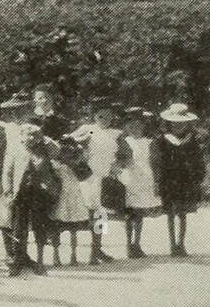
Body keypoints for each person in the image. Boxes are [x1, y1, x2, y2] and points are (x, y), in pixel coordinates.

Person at [152, 103, 205, 257]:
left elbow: (198, 160)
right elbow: (157, 160)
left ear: (187, 124)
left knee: (182, 212)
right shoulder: (162, 140)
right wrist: (157, 179)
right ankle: (172, 243)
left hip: (185, 179)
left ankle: (181, 243)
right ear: (169, 123)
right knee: (170, 213)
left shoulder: (192, 140)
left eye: (181, 123)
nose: (178, 126)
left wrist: (198, 176)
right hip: (168, 179)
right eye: (174, 123)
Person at [0, 90, 33, 266]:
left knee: (22, 216)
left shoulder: (29, 128)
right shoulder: (2, 129)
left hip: (26, 176)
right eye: (15, 110)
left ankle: (21, 252)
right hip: (8, 176)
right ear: (10, 112)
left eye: (23, 110)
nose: (19, 114)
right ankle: (11, 253)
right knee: (7, 215)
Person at [8, 124, 60, 276]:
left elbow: (57, 151)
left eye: (33, 135)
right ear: (21, 136)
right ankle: (18, 260)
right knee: (19, 228)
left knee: (40, 227)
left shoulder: (44, 148)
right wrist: (7, 191)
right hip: (21, 193)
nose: (30, 138)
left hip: (40, 193)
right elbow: (8, 171)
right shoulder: (15, 148)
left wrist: (43, 138)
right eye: (26, 135)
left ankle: (40, 261)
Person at [82, 103, 126, 262]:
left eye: (108, 116)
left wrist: (117, 166)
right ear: (94, 116)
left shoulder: (116, 134)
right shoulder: (90, 129)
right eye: (101, 116)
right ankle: (91, 250)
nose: (104, 119)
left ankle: (97, 248)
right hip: (88, 177)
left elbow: (126, 155)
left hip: (106, 177)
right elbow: (71, 143)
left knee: (102, 214)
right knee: (89, 213)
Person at [118, 107, 161, 257]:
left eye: (138, 125)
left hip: (144, 179)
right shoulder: (123, 141)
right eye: (130, 125)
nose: (134, 128)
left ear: (143, 126)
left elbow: (155, 162)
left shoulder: (149, 142)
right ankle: (128, 243)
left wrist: (156, 181)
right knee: (130, 213)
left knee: (139, 213)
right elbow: (120, 160)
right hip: (128, 179)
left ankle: (137, 243)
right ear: (125, 127)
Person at [49, 133, 92, 265]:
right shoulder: (53, 161)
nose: (66, 150)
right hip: (60, 195)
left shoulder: (77, 161)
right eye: (63, 146)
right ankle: (56, 256)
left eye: (69, 147)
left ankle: (73, 256)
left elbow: (86, 175)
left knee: (73, 227)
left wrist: (75, 163)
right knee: (58, 227)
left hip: (72, 195)